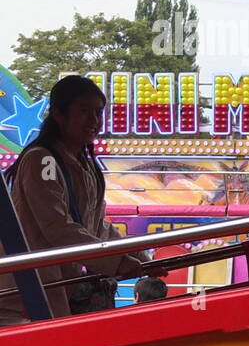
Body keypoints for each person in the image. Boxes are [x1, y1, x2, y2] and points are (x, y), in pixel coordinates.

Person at [0, 75, 145, 324]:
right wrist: (117, 262)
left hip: (52, 290)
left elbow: (97, 228)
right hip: (20, 298)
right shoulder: (42, 159)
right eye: (84, 111)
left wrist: (141, 258)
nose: (94, 120)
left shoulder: (85, 166)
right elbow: (57, 227)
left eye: (98, 112)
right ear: (58, 114)